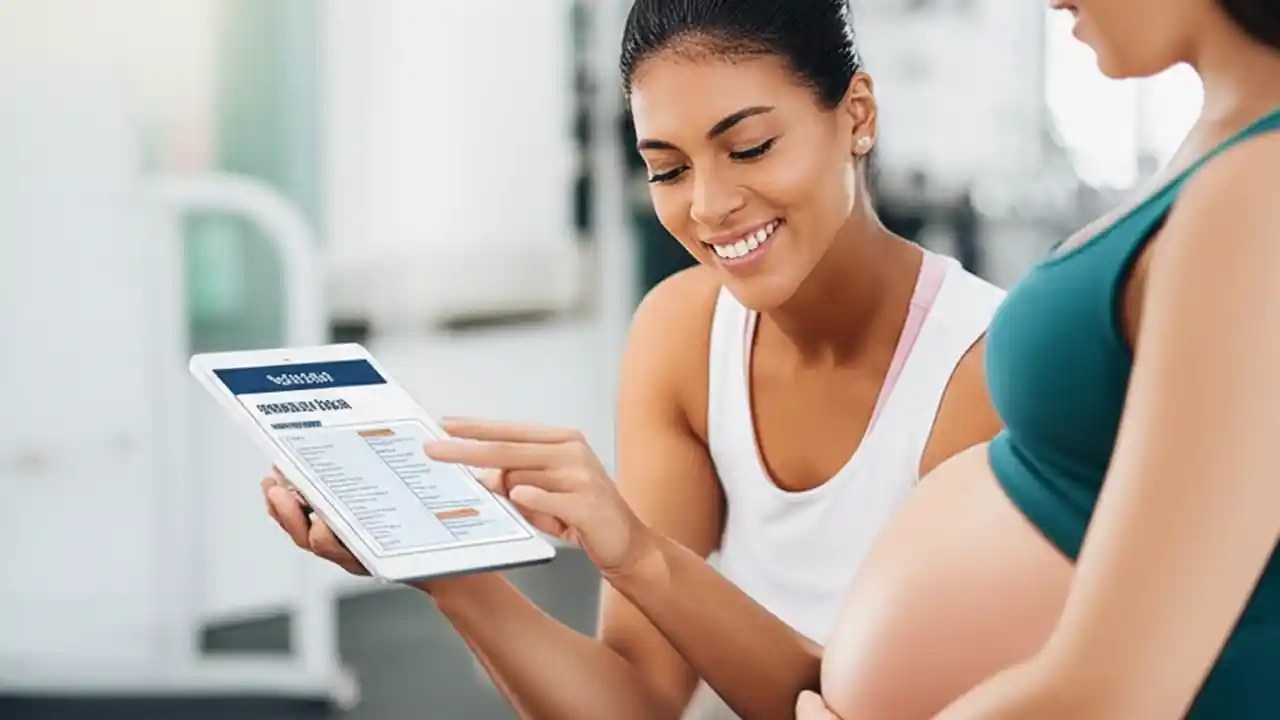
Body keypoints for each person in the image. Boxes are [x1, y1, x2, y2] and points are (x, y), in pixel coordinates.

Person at [262, 1, 1005, 717]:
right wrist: (448, 573)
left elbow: (881, 711)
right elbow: (636, 702)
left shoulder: (983, 367)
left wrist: (642, 557)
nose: (709, 206)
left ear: (857, 116)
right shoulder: (681, 334)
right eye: (669, 170)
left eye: (749, 148)